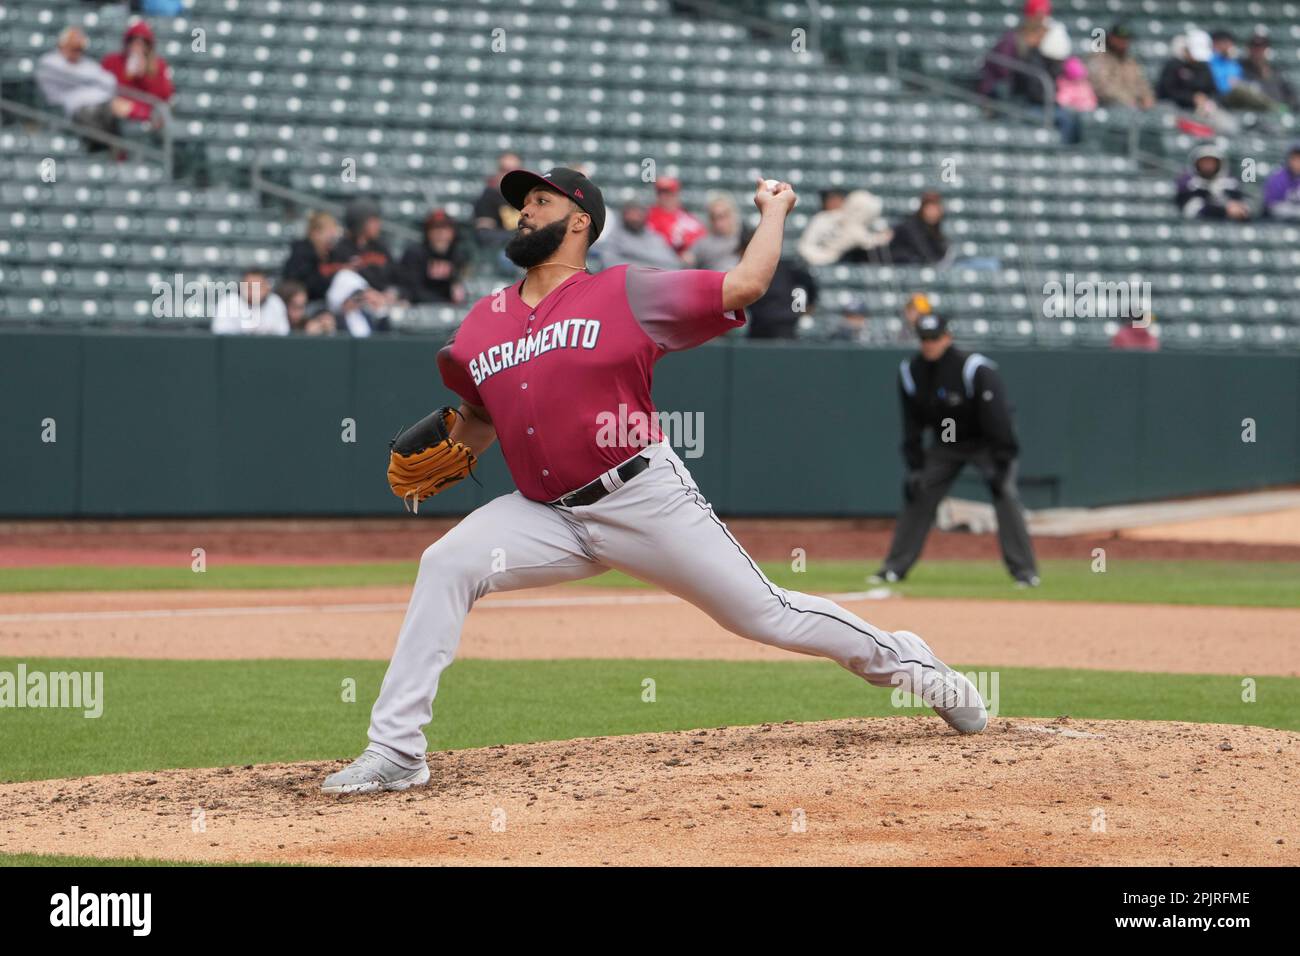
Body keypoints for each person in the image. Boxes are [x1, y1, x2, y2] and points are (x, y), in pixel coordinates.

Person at [320, 167, 988, 794]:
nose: (524, 211)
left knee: (767, 614)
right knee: (446, 563)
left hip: (640, 495)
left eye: (540, 202)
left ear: (580, 222)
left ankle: (917, 668)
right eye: (522, 203)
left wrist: (775, 211)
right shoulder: (482, 322)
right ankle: (398, 751)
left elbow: (745, 286)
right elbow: (478, 416)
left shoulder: (625, 290)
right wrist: (454, 447)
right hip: (544, 513)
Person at [871, 314, 1039, 588]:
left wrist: (1002, 461)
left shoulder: (973, 368)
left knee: (1005, 494)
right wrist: (915, 466)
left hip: (986, 442)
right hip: (947, 444)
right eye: (924, 339)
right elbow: (911, 424)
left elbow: (998, 417)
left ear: (947, 337)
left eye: (934, 338)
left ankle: (1025, 572)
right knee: (919, 490)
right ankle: (893, 568)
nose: (929, 345)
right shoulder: (912, 371)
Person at [35, 27, 134, 148]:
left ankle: (113, 154)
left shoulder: (87, 64)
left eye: (79, 49)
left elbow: (110, 82)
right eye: (73, 47)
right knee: (92, 116)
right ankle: (101, 151)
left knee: (118, 110)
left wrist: (88, 81)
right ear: (62, 45)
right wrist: (92, 81)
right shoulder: (49, 61)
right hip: (66, 109)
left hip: (100, 106)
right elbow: (70, 75)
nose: (77, 51)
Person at [100, 20, 174, 125]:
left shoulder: (159, 65)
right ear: (127, 42)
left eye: (143, 42)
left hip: (148, 112)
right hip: (117, 111)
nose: (137, 46)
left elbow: (164, 96)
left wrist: (144, 76)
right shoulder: (113, 61)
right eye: (133, 41)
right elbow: (101, 88)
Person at [978, 0, 1051, 100]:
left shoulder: (1030, 47)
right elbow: (1003, 69)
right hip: (996, 89)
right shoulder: (1011, 39)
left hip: (1014, 90)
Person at [798, 189, 892, 265]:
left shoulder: (849, 219)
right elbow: (805, 247)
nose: (835, 202)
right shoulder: (822, 218)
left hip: (842, 259)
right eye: (831, 199)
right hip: (823, 260)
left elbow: (864, 239)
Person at [399, 209, 471, 304]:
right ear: (427, 233)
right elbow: (412, 290)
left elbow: (464, 285)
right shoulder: (415, 254)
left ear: (453, 233)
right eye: (435, 228)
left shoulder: (459, 255)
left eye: (445, 228)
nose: (440, 233)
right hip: (420, 308)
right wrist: (445, 302)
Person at [331, 198, 398, 294]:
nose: (378, 225)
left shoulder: (380, 246)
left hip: (382, 299)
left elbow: (394, 275)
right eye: (373, 221)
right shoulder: (341, 249)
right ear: (360, 223)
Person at [591, 201, 682, 270]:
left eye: (639, 214)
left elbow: (673, 264)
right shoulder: (614, 237)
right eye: (631, 213)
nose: (635, 218)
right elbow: (609, 263)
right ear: (624, 215)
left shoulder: (656, 238)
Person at [282, 211, 347, 305]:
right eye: (329, 232)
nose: (333, 237)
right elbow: (304, 287)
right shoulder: (301, 254)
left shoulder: (333, 255)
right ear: (315, 233)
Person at [1087, 23, 1155, 110]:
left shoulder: (1130, 61)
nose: (1123, 42)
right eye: (1119, 38)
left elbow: (1143, 85)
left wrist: (1147, 98)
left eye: (1126, 39)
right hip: (1109, 108)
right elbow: (1102, 88)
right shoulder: (1099, 58)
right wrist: (1130, 100)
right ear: (1110, 38)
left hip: (1134, 108)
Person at [1176, 143, 1250, 220]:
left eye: (1211, 162)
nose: (1208, 165)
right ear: (1196, 163)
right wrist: (1225, 210)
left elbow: (1245, 206)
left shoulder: (1230, 185)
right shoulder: (1189, 186)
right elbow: (1191, 211)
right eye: (1204, 162)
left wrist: (1239, 209)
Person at [1209, 30, 1275, 111]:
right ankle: (1273, 108)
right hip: (1222, 97)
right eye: (1224, 43)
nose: (1227, 46)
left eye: (1228, 43)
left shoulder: (1235, 64)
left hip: (1238, 98)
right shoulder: (1211, 60)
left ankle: (1271, 108)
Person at [211, 269, 290, 336]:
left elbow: (283, 335)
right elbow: (221, 334)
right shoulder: (228, 302)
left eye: (258, 286)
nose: (254, 291)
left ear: (267, 288)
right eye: (249, 286)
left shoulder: (275, 302)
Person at [472, 151, 523, 249]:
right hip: (502, 252)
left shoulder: (529, 198)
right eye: (504, 170)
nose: (509, 174)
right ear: (498, 172)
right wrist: (523, 236)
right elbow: (485, 236)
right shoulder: (487, 198)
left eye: (515, 170)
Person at [645, 178, 707, 254]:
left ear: (676, 194)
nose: (666, 197)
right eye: (661, 193)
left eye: (670, 193)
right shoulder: (648, 216)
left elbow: (702, 239)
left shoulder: (686, 217)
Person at [1240, 31, 1298, 111]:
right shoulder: (1240, 69)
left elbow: (1292, 96)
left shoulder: (1277, 72)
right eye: (1255, 47)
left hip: (1278, 114)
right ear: (1249, 49)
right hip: (1255, 113)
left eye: (1262, 47)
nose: (1258, 51)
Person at [887, 192, 949, 266]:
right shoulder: (911, 225)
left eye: (936, 209)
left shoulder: (934, 229)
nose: (933, 213)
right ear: (922, 209)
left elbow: (940, 253)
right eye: (929, 208)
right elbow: (924, 252)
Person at [687, 194, 745, 271]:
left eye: (722, 216)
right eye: (713, 218)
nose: (718, 223)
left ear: (732, 215)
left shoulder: (744, 239)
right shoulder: (702, 243)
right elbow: (687, 261)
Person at [326, 269, 392, 337]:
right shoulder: (334, 320)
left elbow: (383, 335)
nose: (360, 300)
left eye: (360, 296)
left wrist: (380, 309)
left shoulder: (367, 315)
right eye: (355, 297)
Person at [1262, 143, 1300, 220]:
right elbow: (1271, 206)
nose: (1297, 163)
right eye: (1294, 159)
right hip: (1280, 222)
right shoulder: (1278, 178)